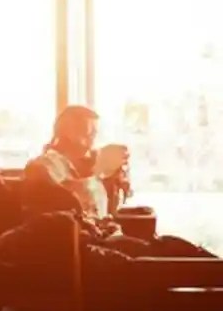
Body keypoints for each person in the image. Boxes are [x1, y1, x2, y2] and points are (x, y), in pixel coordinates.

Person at [14, 105, 213, 260]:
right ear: (66, 132)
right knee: (161, 259)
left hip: (110, 237)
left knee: (175, 247)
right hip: (86, 247)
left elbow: (107, 212)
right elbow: (62, 205)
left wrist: (115, 179)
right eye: (87, 131)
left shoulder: (84, 165)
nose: (92, 138)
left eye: (95, 133)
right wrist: (96, 171)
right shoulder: (44, 165)